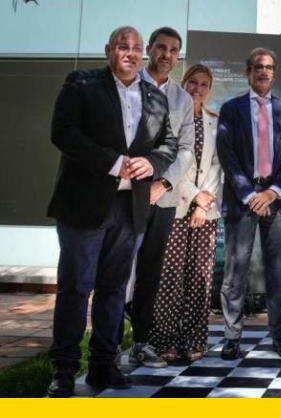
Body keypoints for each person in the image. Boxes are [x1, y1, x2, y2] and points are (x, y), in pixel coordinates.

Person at [45, 25, 177, 397]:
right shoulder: (81, 84)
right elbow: (63, 132)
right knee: (75, 289)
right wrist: (113, 161)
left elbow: (168, 143)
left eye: (136, 48)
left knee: (114, 291)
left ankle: (104, 365)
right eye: (124, 46)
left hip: (130, 208)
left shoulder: (155, 96)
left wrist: (151, 163)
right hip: (84, 206)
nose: (131, 53)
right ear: (109, 50)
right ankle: (65, 370)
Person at [216, 47, 281, 360]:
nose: (263, 72)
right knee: (236, 271)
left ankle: (279, 336)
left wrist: (273, 192)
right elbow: (226, 154)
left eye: (268, 67)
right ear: (248, 72)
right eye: (257, 67)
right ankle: (231, 337)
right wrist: (250, 194)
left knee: (277, 272)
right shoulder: (231, 109)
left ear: (274, 73)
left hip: (276, 201)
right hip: (243, 199)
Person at [127, 26, 196, 369]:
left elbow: (185, 151)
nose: (166, 55)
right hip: (125, 195)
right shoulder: (128, 85)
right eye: (161, 48)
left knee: (150, 272)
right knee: (118, 270)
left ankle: (141, 341)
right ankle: (106, 343)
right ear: (149, 50)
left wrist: (163, 185)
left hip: (163, 198)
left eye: (173, 50)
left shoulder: (182, 99)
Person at [148, 64, 223, 363]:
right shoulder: (170, 119)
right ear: (183, 83)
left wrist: (204, 204)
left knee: (199, 279)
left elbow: (218, 165)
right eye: (192, 83)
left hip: (206, 212)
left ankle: (194, 340)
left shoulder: (214, 122)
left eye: (204, 84)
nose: (197, 89)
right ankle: (164, 340)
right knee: (170, 276)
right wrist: (194, 197)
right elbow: (171, 165)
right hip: (174, 207)